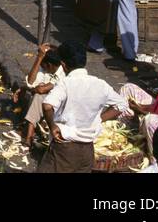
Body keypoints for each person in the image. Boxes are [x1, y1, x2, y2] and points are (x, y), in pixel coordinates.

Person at [38, 42, 128, 173]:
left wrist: (52, 126)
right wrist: (98, 119)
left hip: (65, 147)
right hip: (87, 150)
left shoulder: (65, 83)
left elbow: (47, 106)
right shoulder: (100, 84)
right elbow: (122, 104)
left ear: (63, 65)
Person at [15, 43, 64, 146]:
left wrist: (30, 89)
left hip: (59, 107)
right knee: (37, 96)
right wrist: (39, 57)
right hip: (44, 104)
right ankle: (30, 133)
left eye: (42, 64)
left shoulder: (62, 72)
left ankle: (29, 134)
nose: (41, 66)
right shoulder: (46, 68)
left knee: (39, 95)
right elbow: (31, 82)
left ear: (49, 65)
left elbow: (41, 90)